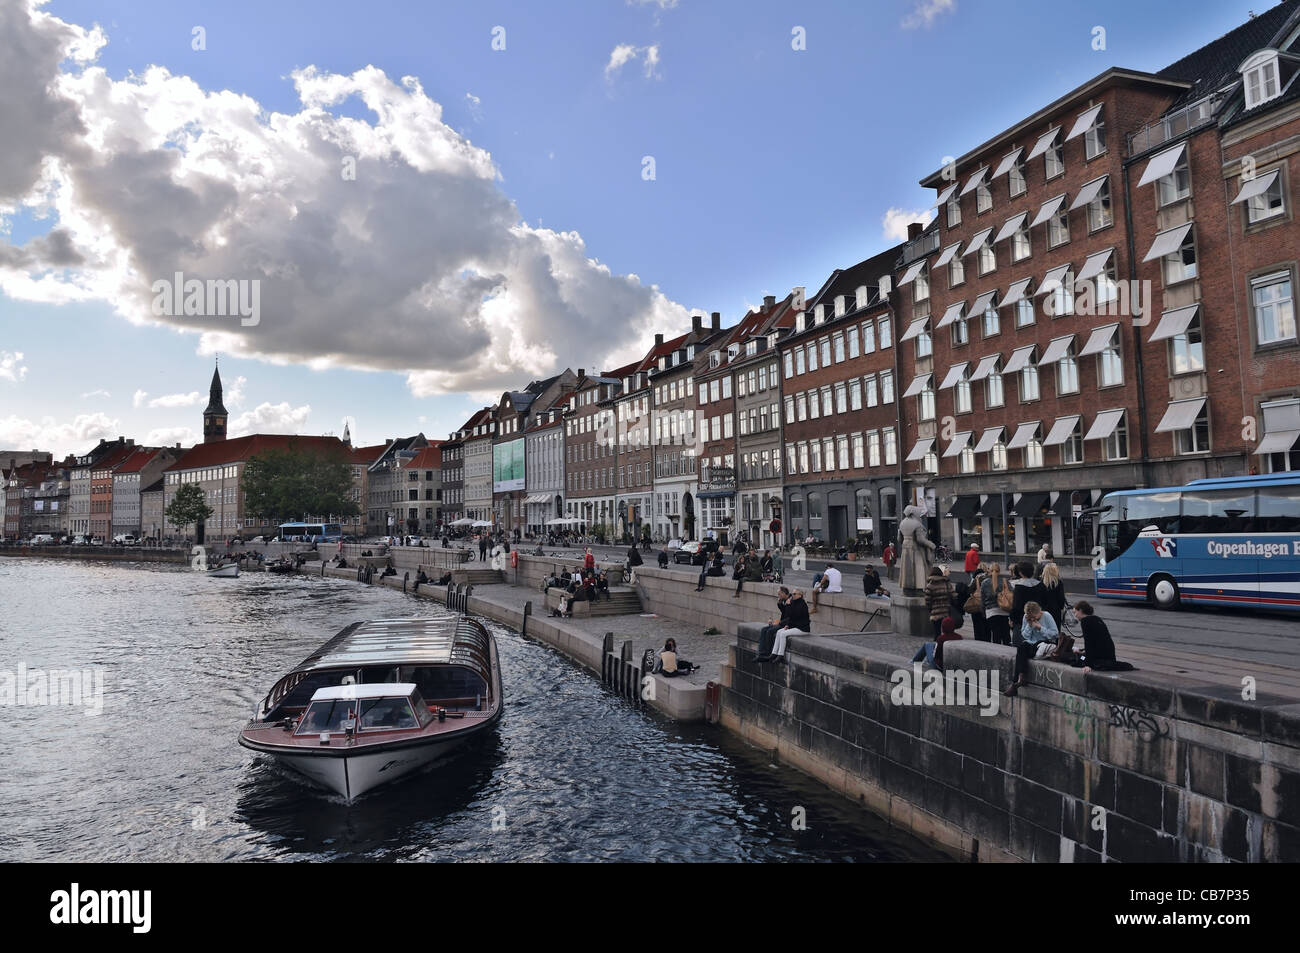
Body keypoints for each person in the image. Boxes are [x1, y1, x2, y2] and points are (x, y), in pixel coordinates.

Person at [1004, 601, 1059, 696]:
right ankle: (1020, 678)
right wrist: (1029, 626)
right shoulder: (1026, 617)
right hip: (1032, 644)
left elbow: (1054, 634)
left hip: (1044, 643)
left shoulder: (1046, 616)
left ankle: (1015, 683)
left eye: (1035, 617)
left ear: (1039, 612)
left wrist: (1040, 627)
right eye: (1030, 617)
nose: (1033, 619)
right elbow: (1025, 636)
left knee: (1022, 653)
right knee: (1021, 649)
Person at [1069, 601, 1134, 672]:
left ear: (1080, 610)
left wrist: (1087, 665)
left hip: (1098, 658)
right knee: (1081, 655)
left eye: (1075, 612)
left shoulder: (1085, 621)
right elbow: (1098, 641)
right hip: (1108, 656)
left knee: (1080, 658)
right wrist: (1083, 650)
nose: (1075, 615)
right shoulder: (1097, 619)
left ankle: (1083, 659)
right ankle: (1083, 656)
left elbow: (1089, 643)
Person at [768, 589, 811, 661]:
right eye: (792, 593)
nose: (793, 595)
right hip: (795, 626)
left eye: (795, 594)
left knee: (783, 634)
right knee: (779, 632)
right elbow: (788, 616)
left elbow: (796, 616)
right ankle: (774, 653)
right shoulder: (793, 602)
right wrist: (788, 625)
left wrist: (788, 606)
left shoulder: (802, 604)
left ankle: (780, 655)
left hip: (802, 629)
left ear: (800, 595)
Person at [1010, 561, 1048, 640]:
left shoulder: (1019, 587)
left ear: (1020, 573)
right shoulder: (1041, 585)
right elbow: (1045, 602)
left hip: (1022, 620)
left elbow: (1016, 606)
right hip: (1038, 620)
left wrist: (1012, 619)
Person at [755, 587, 792, 661]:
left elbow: (790, 616)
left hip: (787, 624)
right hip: (782, 622)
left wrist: (780, 622)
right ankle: (761, 653)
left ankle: (768, 653)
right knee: (764, 629)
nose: (778, 596)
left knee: (770, 631)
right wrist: (780, 604)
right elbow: (784, 612)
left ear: (784, 593)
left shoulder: (790, 601)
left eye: (779, 594)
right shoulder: (784, 600)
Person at [980, 562, 1012, 645]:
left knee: (995, 635)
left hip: (991, 612)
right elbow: (1011, 594)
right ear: (999, 571)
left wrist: (983, 612)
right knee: (1006, 635)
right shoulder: (1005, 581)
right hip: (1004, 610)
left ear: (989, 571)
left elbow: (982, 600)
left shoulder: (984, 583)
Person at [924, 565, 954, 638]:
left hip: (935, 612)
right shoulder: (946, 583)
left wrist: (930, 609)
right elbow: (953, 595)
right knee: (947, 632)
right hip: (946, 611)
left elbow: (927, 600)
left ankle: (938, 646)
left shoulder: (930, 585)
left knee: (937, 632)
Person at [1039, 562, 1068, 628]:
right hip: (1055, 610)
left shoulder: (1041, 583)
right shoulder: (1058, 583)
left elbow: (1039, 598)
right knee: (1055, 630)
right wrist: (1061, 607)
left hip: (1044, 611)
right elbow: (1061, 598)